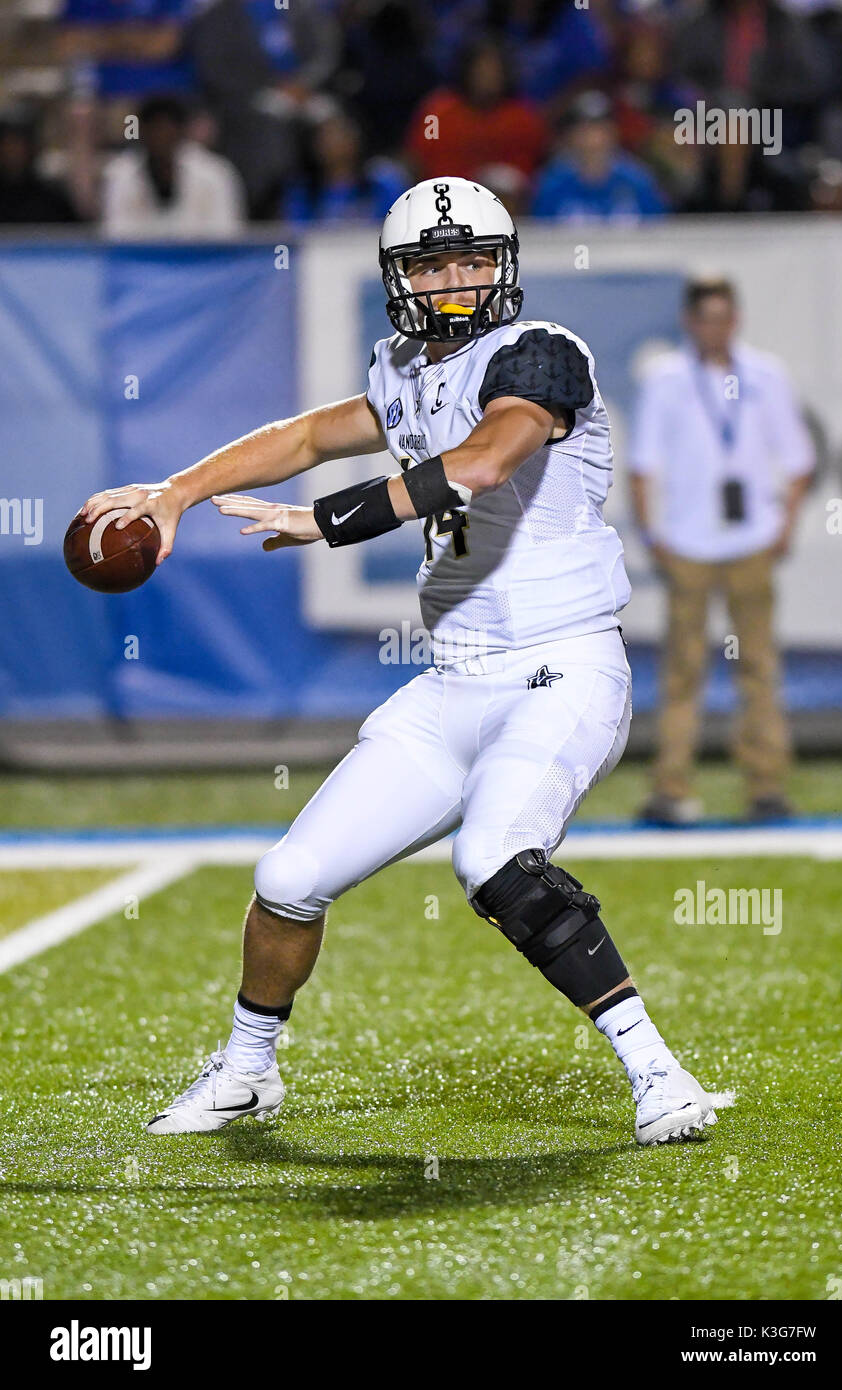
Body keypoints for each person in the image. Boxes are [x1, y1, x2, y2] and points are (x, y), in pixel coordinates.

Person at [80, 177, 733, 1146]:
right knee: (290, 875)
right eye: (433, 263)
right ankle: (247, 1072)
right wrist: (177, 490)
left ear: (503, 266)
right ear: (400, 277)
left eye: (473, 258)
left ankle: (659, 1073)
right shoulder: (398, 369)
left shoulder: (542, 354)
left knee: (492, 860)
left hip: (561, 669)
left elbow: (481, 462)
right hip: (453, 681)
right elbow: (302, 434)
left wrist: (324, 520)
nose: (457, 279)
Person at [629, 276, 814, 825]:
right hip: (686, 543)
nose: (716, 328)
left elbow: (798, 460)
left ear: (737, 319)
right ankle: (671, 788)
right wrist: (650, 534)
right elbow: (643, 465)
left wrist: (785, 526)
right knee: (683, 669)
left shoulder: (766, 375)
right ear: (690, 322)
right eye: (706, 317)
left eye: (724, 317)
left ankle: (766, 787)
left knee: (757, 665)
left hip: (752, 540)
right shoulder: (665, 379)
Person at [404, 36, 548, 184]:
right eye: (480, 69)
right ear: (466, 70)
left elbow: (533, 172)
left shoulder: (524, 119)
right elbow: (416, 159)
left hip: (501, 203)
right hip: (442, 198)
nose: (487, 76)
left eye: (494, 70)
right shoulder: (436, 114)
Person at [102, 93, 246, 238]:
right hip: (138, 259)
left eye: (167, 130)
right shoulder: (119, 174)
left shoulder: (215, 173)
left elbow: (226, 235)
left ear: (181, 132)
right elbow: (115, 235)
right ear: (142, 133)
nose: (161, 137)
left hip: (204, 259)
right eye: (154, 130)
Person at [531, 90, 668, 221]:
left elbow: (659, 229)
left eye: (601, 129)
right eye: (585, 130)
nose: (594, 139)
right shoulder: (553, 184)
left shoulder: (637, 181)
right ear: (571, 135)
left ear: (614, 133)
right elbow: (541, 234)